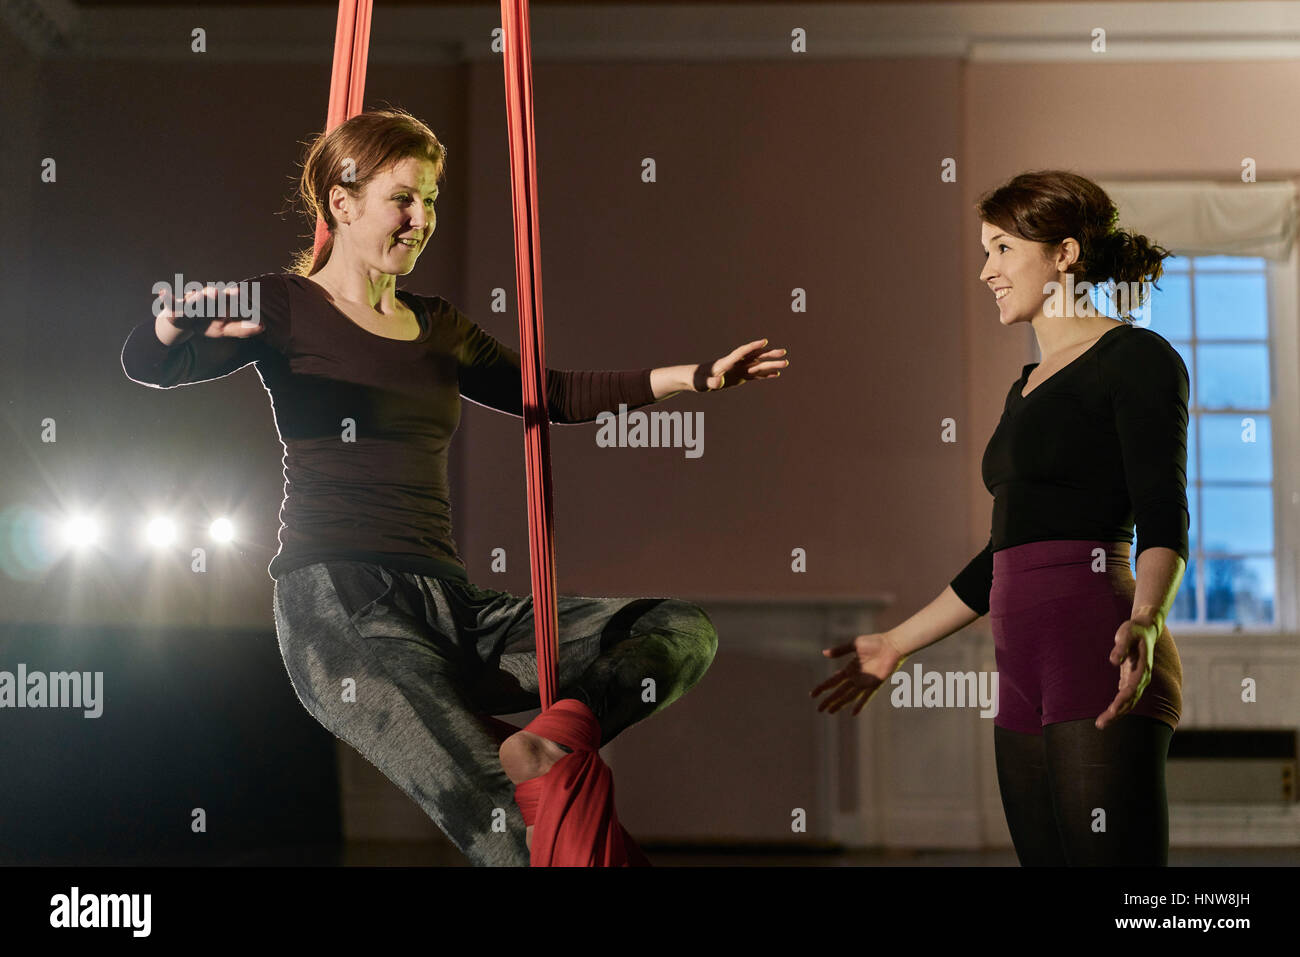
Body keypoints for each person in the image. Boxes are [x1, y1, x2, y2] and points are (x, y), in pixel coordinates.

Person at [120, 107, 790, 866]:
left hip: (453, 607)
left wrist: (695, 377)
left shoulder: (437, 325)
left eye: (431, 200)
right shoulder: (284, 304)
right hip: (342, 608)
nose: (422, 219)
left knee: (680, 629)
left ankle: (551, 741)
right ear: (342, 203)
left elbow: (553, 393)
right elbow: (151, 361)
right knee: (510, 829)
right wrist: (178, 316)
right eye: (404, 198)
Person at [812, 170, 1187, 866]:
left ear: (1065, 254)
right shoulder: (1025, 386)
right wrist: (897, 640)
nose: (986, 270)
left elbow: (1164, 518)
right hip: (1020, 670)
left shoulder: (1137, 358)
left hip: (1097, 651)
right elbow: (1004, 555)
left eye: (1002, 249)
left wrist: (1147, 616)